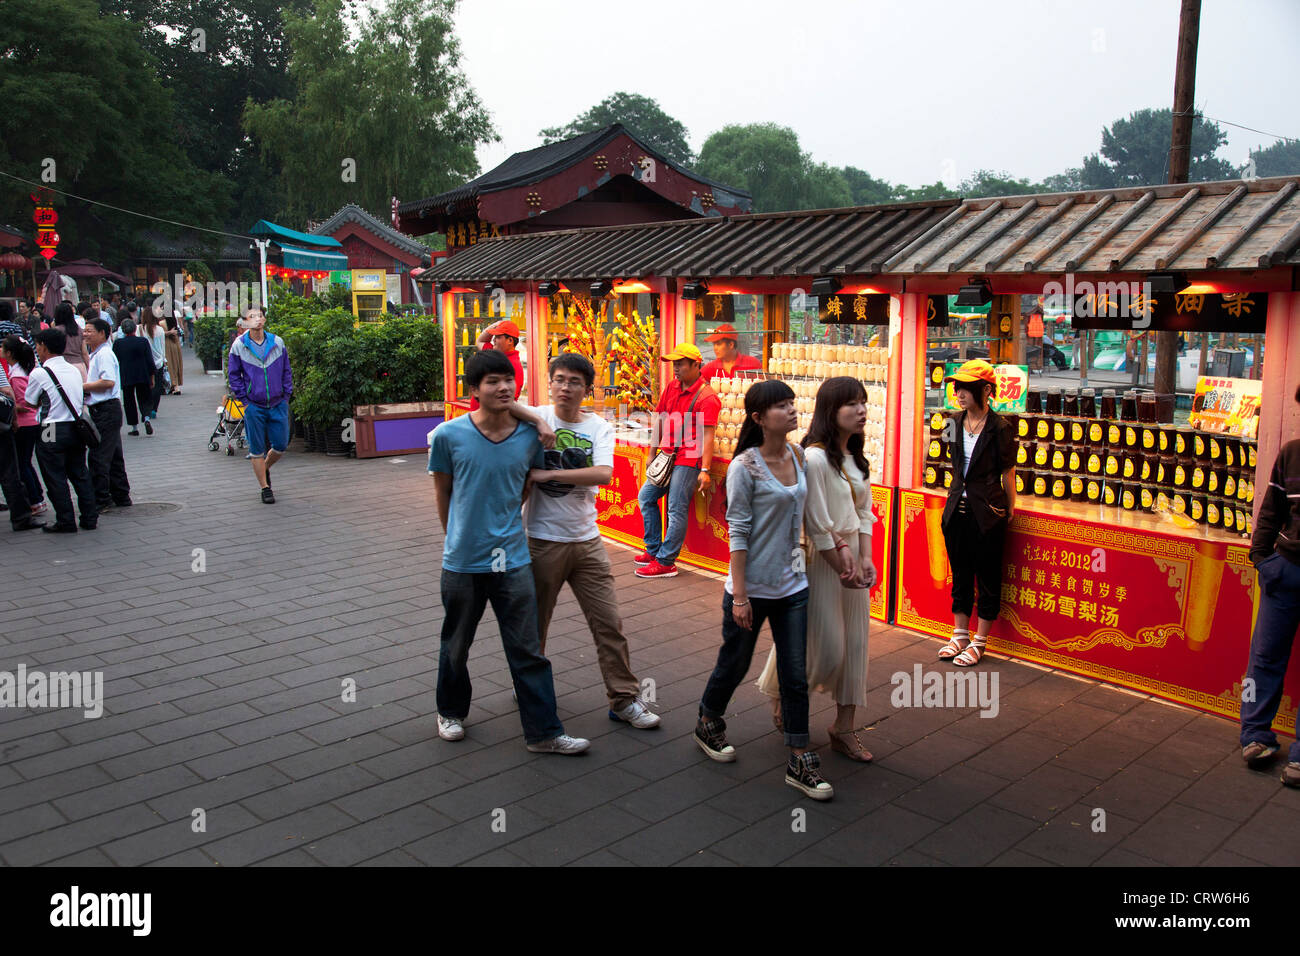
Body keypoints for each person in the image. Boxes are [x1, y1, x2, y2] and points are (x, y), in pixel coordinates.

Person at [428, 349, 589, 755]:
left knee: (527, 649)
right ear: (474, 391)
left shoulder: (527, 437)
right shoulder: (449, 435)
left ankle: (545, 733)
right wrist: (455, 538)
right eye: (492, 382)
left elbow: (525, 487)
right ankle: (450, 711)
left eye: (508, 380)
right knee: (456, 643)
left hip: (513, 560)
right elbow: (443, 492)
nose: (503, 387)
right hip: (463, 561)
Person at [694, 379, 833, 799]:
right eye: (781, 406)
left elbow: (808, 513)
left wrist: (840, 550)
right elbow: (738, 533)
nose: (791, 411)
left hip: (793, 584)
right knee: (734, 664)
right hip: (750, 587)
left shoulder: (797, 455)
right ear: (758, 418)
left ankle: (799, 756)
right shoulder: (744, 467)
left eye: (792, 403)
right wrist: (739, 596)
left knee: (794, 675)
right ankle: (708, 721)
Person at [518, 352, 660, 730]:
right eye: (559, 379)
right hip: (542, 541)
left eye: (574, 382)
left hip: (587, 540)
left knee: (609, 623)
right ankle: (531, 692)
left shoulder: (598, 426)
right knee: (535, 626)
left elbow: (604, 473)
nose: (566, 387)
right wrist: (535, 418)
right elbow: (502, 402)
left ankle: (624, 699)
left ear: (587, 389)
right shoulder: (535, 418)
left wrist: (544, 477)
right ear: (549, 382)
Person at [754, 376, 877, 761]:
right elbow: (818, 522)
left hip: (853, 557)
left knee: (855, 645)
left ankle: (845, 727)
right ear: (830, 411)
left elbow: (864, 513)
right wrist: (843, 563)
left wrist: (866, 557)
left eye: (863, 402)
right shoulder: (816, 458)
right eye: (851, 404)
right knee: (825, 648)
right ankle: (785, 697)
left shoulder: (856, 458)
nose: (861, 410)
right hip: (825, 562)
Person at [936, 359, 1017, 667]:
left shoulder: (1000, 427)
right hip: (957, 509)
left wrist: (1010, 507)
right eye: (957, 387)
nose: (959, 393)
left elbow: (1008, 471)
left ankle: (980, 640)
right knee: (960, 573)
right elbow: (954, 465)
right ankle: (959, 634)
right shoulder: (952, 423)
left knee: (987, 576)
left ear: (985, 391)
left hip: (988, 510)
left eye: (966, 388)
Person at [1239, 385, 1300, 788]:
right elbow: (1271, 509)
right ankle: (1254, 736)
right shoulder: (1292, 451)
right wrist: (1262, 559)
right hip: (1286, 571)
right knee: (1263, 658)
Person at [634, 342, 719, 579]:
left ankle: (666, 561)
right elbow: (659, 419)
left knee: (675, 507)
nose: (676, 368)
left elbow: (708, 434)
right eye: (674, 364)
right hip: (667, 453)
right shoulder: (672, 386)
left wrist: (705, 469)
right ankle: (653, 550)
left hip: (689, 457)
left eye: (680, 364)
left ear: (696, 364)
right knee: (646, 497)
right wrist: (652, 452)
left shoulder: (707, 397)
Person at [24, 328, 98, 533]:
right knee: (80, 473)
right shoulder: (74, 369)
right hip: (75, 427)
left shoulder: (40, 373)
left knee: (54, 475)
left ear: (44, 347)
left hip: (50, 429)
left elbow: (30, 402)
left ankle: (66, 520)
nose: (37, 349)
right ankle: (90, 517)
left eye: (38, 345)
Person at [227, 306, 291, 504]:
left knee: (280, 445)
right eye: (252, 316)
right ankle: (265, 488)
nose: (257, 319)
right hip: (253, 404)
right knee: (256, 449)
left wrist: (286, 393)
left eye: (260, 315)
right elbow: (234, 375)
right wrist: (244, 400)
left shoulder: (277, 342)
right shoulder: (239, 345)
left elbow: (286, 370)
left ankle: (264, 468)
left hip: (278, 402)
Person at [82, 317, 132, 512]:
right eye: (84, 331)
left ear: (102, 333)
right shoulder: (97, 354)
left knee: (98, 456)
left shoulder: (103, 354)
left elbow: (108, 382)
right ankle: (121, 495)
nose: (85, 334)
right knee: (114, 456)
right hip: (105, 409)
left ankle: (101, 500)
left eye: (89, 331)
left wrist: (82, 386)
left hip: (106, 409)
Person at [1, 335, 47, 516]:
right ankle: (38, 498)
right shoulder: (22, 370)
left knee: (22, 464)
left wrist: (8, 405)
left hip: (25, 425)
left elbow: (27, 404)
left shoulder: (18, 376)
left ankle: (35, 500)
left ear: (10, 353)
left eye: (3, 347)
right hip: (31, 423)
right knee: (26, 462)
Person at [113, 319, 156, 436]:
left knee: (129, 401)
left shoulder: (118, 343)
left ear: (123, 330)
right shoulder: (143, 341)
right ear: (135, 329)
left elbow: (115, 362)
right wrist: (152, 377)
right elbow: (150, 361)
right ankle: (146, 418)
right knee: (144, 398)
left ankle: (134, 427)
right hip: (143, 374)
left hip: (126, 376)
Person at [470, 319, 524, 409]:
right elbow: (480, 341)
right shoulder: (494, 354)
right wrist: (496, 325)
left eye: (498, 337)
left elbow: (509, 401)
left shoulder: (514, 365)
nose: (494, 340)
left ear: (510, 340)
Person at [50, 302, 89, 381]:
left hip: (62, 367)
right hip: (79, 365)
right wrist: (89, 367)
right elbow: (84, 352)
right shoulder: (79, 330)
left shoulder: (55, 331)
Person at [141, 312, 168, 415]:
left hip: (145, 362)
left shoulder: (141, 329)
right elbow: (162, 346)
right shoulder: (160, 329)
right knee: (157, 386)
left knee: (147, 386)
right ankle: (154, 408)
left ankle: (147, 407)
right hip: (158, 362)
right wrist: (164, 359)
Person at [164, 311, 184, 394]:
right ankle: (176, 386)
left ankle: (173, 385)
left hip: (167, 343)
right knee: (176, 363)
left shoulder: (162, 323)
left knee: (170, 365)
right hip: (176, 342)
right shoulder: (174, 321)